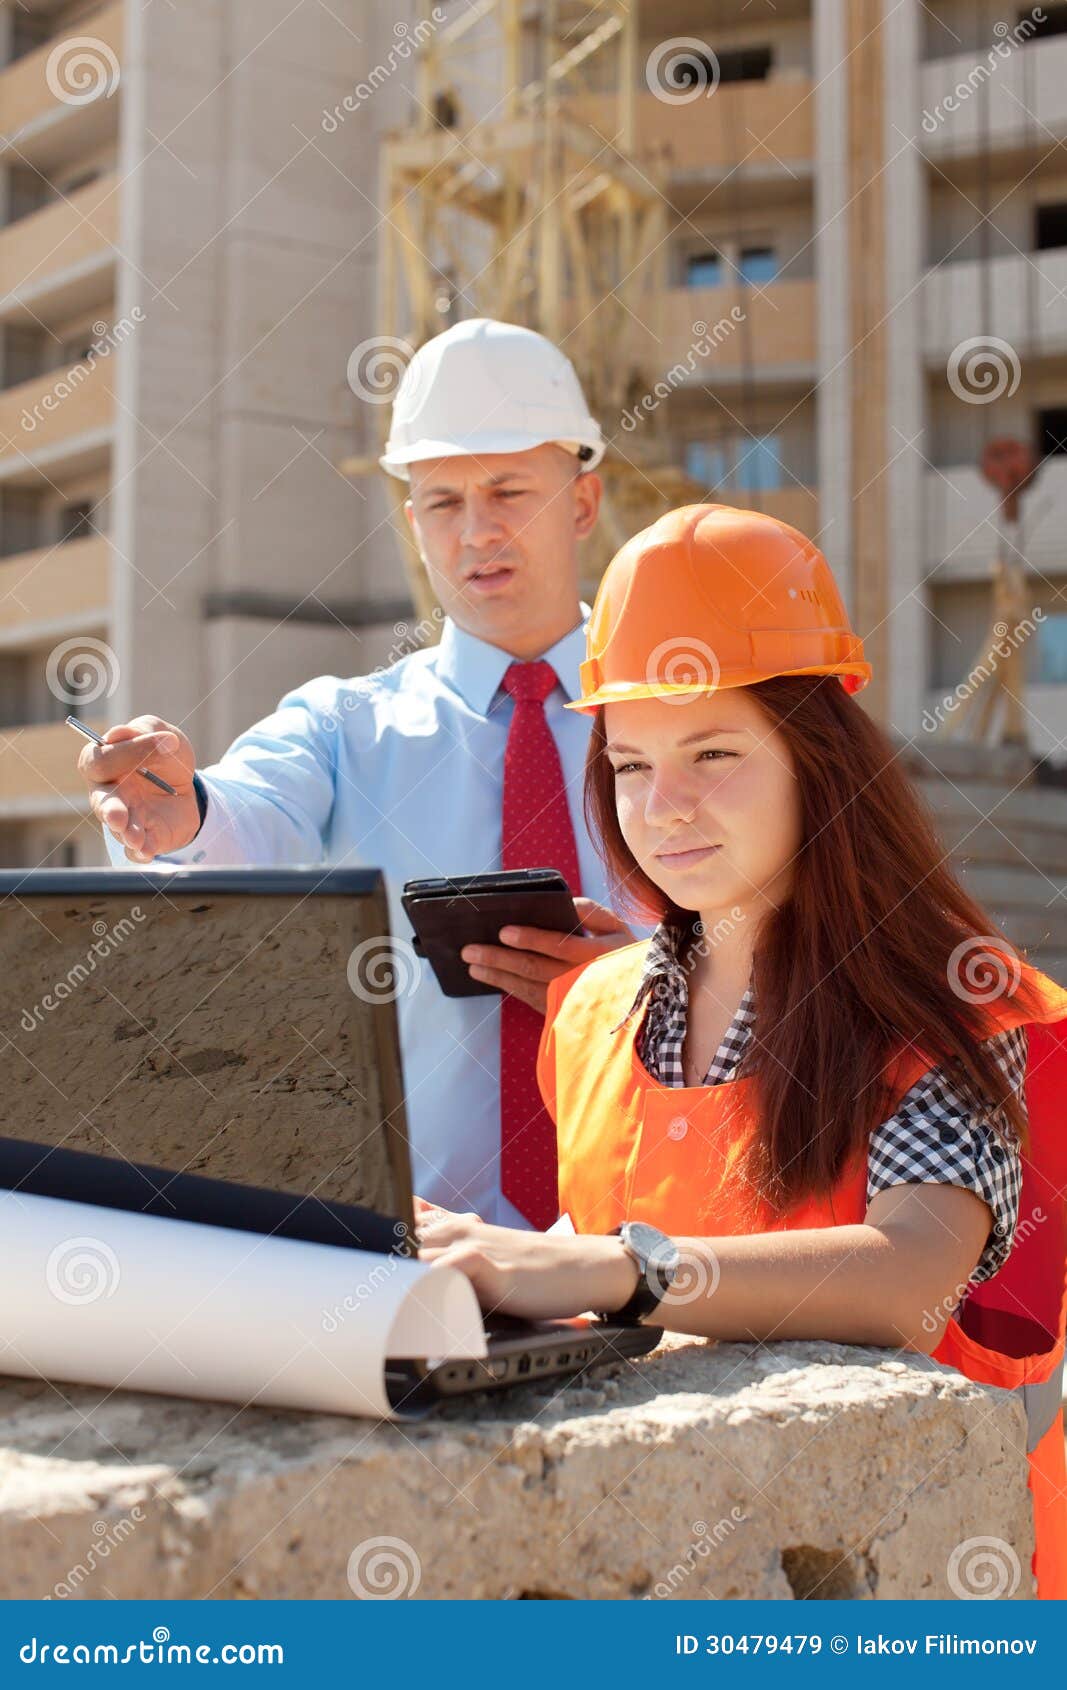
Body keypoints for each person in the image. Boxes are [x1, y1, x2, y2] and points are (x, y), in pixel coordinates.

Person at [415, 502, 1067, 1600]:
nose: (662, 807)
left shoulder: (958, 1006)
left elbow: (907, 1278)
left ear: (820, 763)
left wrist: (609, 1266)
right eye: (628, 765)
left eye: (712, 751)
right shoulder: (593, 1008)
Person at [76, 318, 647, 1231]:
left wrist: (641, 983)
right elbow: (243, 818)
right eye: (442, 501)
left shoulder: (677, 717)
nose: (478, 532)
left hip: (660, 1244)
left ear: (582, 503)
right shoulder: (344, 725)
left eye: (508, 491)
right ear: (411, 517)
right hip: (418, 1255)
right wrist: (173, 814)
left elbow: (775, 954)